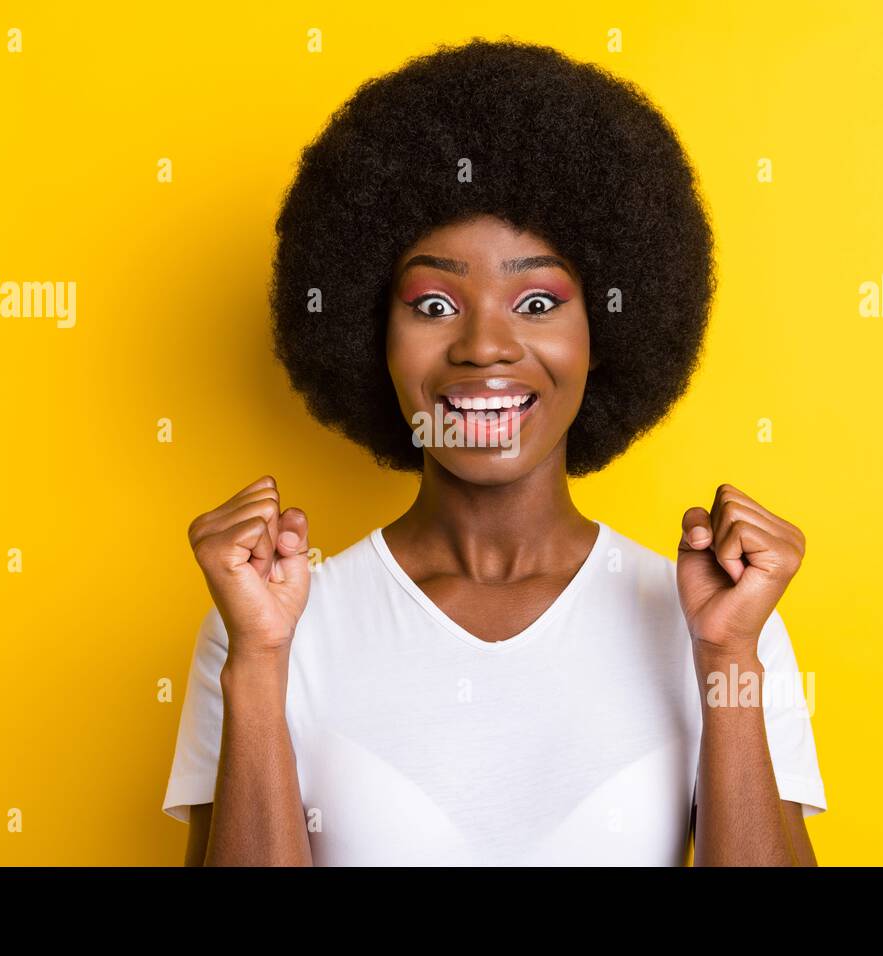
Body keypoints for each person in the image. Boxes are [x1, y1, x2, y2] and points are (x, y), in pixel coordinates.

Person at [163, 37, 826, 865]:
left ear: (604, 332)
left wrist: (727, 656)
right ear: (372, 338)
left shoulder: (723, 620)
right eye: (435, 303)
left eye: (538, 299)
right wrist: (260, 663)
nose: (485, 347)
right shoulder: (261, 622)